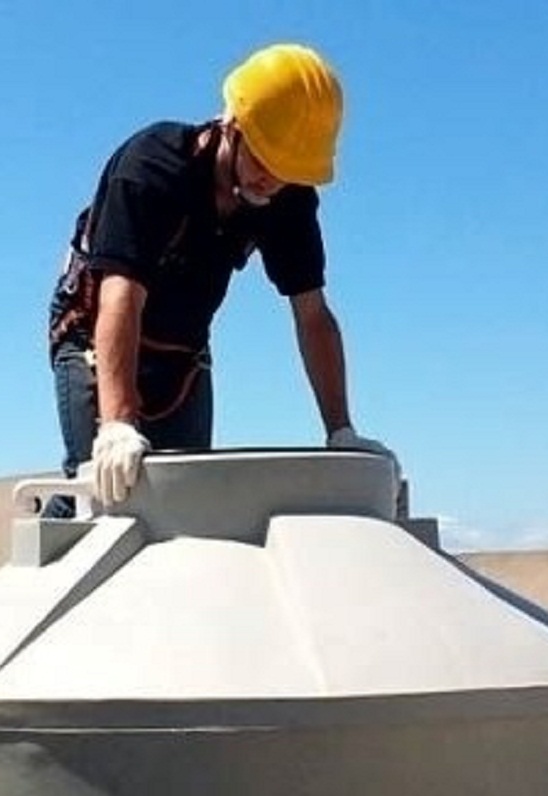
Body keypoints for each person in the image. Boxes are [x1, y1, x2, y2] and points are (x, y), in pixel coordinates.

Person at [43, 42, 394, 514]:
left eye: (288, 171)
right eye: (264, 160)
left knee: (186, 498)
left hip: (183, 349)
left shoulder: (288, 200)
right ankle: (51, 536)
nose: (272, 181)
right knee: (106, 492)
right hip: (93, 328)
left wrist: (341, 430)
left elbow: (312, 315)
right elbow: (120, 297)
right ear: (233, 125)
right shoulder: (151, 168)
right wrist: (117, 425)